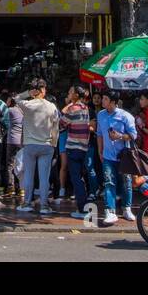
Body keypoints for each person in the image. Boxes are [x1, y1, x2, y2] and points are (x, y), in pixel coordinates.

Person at [13, 79, 59, 214]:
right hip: (47, 145)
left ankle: (27, 203)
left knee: (29, 175)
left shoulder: (28, 105)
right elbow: (56, 126)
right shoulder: (52, 106)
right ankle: (44, 206)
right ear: (43, 90)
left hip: (30, 144)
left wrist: (27, 93)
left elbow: (16, 98)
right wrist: (54, 143)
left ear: (34, 91)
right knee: (44, 177)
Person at [96, 90, 138, 227]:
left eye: (105, 99)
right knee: (109, 182)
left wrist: (119, 136)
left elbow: (133, 135)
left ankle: (127, 208)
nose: (103, 101)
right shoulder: (100, 115)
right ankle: (110, 211)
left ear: (113, 102)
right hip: (107, 155)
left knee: (126, 182)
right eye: (103, 98)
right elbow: (99, 134)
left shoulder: (125, 116)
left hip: (124, 155)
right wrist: (100, 150)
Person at [60, 85, 93, 218]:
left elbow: (61, 124)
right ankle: (84, 205)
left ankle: (82, 209)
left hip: (73, 147)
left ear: (75, 96)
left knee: (76, 179)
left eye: (70, 92)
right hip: (83, 147)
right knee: (80, 177)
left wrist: (68, 104)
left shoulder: (72, 108)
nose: (68, 93)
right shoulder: (85, 108)